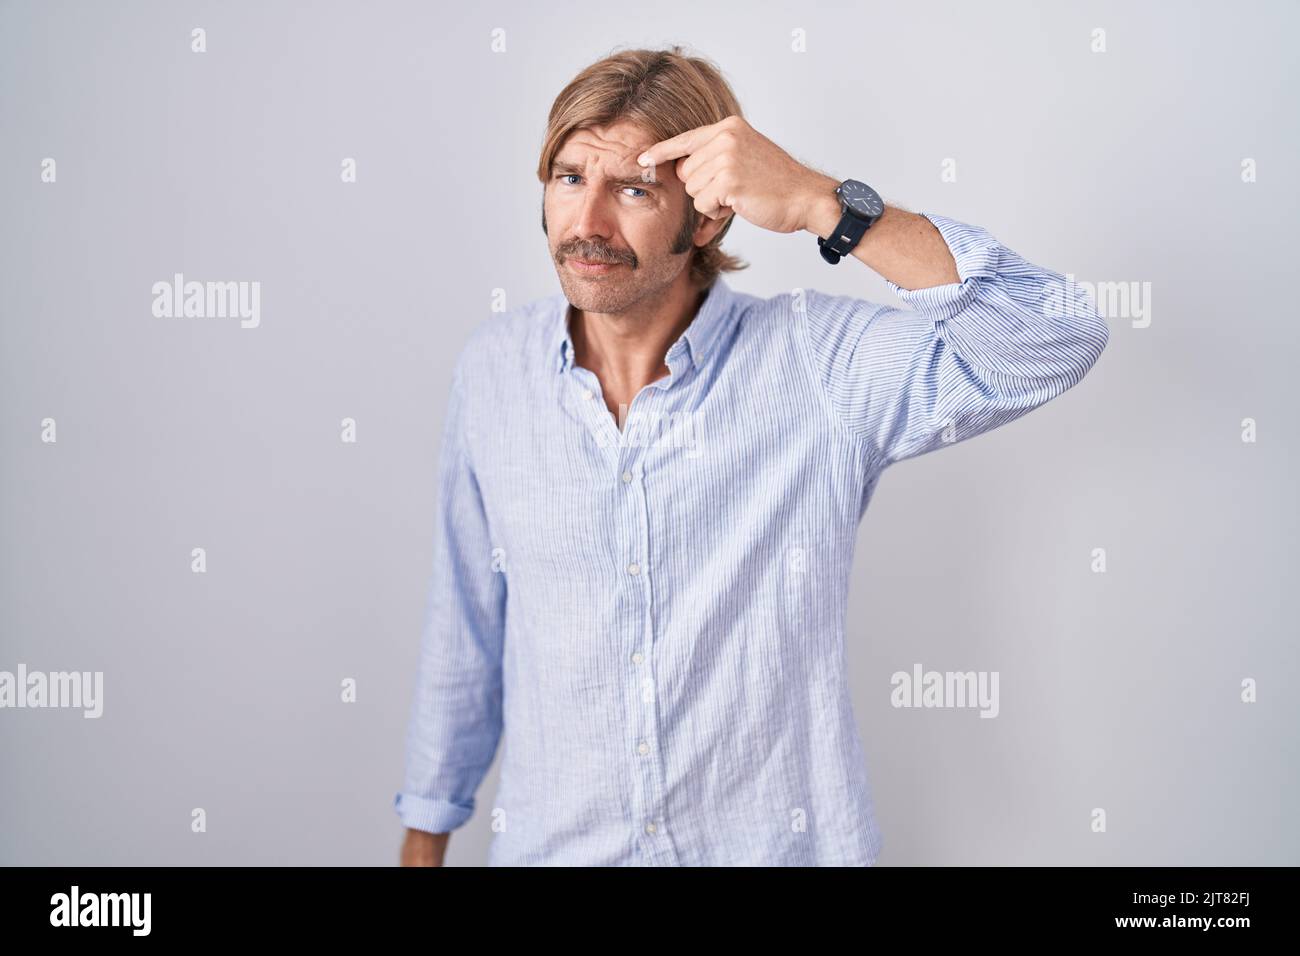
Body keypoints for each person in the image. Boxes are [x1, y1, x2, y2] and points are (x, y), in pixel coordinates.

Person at [396, 45, 1108, 866]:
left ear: (707, 216)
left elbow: (1055, 334)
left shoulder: (814, 364)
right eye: (568, 178)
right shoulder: (493, 372)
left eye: (633, 188)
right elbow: (465, 626)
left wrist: (820, 203)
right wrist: (425, 839)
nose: (586, 224)